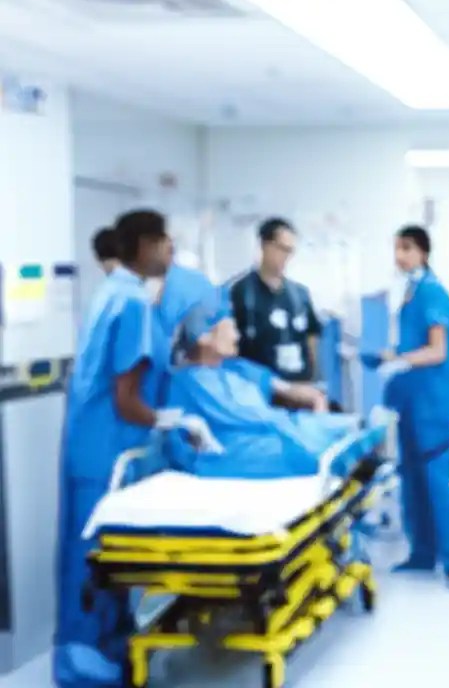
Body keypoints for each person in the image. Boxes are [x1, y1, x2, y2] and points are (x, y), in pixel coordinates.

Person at [54, 209, 200, 687]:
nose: (169, 251)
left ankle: (87, 659)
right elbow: (127, 398)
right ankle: (93, 665)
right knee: (101, 563)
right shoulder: (134, 304)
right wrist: (170, 421)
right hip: (109, 454)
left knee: (87, 558)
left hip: (88, 449)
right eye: (163, 241)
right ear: (143, 245)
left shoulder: (108, 293)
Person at [371, 226, 449, 587]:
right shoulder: (410, 293)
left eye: (407, 248)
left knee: (435, 479)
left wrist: (399, 360)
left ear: (424, 252)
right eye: (397, 248)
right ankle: (422, 553)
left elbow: (437, 350)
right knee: (411, 478)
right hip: (413, 402)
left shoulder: (432, 292)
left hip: (433, 403)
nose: (400, 256)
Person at [165, 299, 354, 479]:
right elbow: (244, 415)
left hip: (260, 435)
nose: (236, 336)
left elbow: (278, 395)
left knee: (342, 430)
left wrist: (311, 414)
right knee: (309, 449)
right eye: (230, 329)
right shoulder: (190, 380)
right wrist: (301, 425)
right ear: (204, 337)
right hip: (230, 451)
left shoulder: (233, 371)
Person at [227, 217, 323, 384]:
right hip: (257, 388)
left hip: (299, 386)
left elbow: (311, 337)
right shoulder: (241, 292)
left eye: (290, 251)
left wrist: (312, 377)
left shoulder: (300, 295)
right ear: (264, 245)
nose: (286, 256)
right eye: (281, 249)